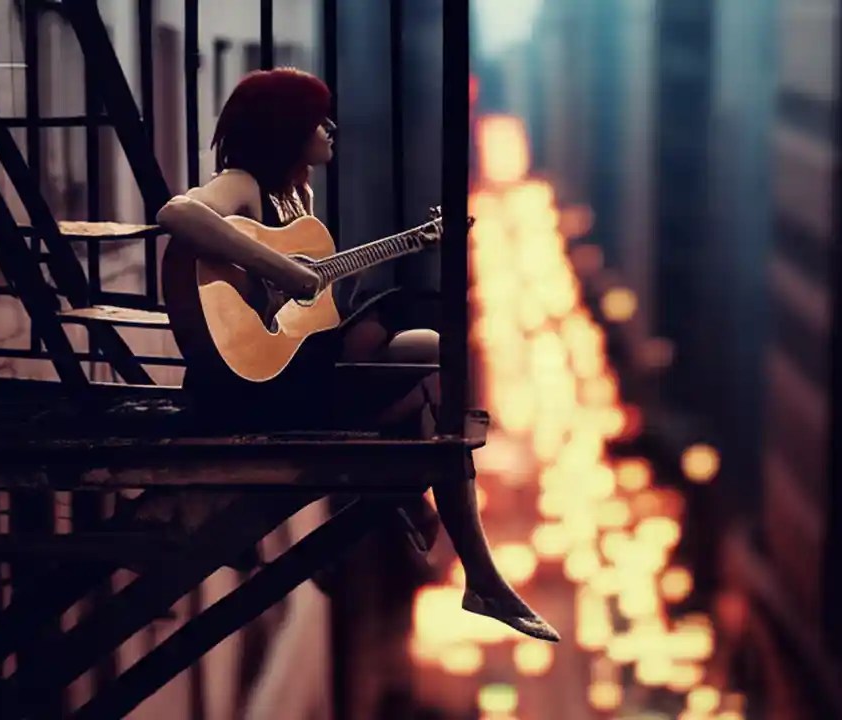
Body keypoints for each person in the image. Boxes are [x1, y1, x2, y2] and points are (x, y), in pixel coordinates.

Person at [155, 67, 558, 643]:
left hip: (286, 364)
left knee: (434, 352)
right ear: (287, 128)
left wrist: (317, 282)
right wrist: (282, 270)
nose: (331, 127)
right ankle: (464, 556)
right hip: (247, 390)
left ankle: (433, 523)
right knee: (401, 342)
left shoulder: (300, 197)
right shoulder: (243, 184)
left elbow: (299, 311)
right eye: (318, 118)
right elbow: (177, 214)